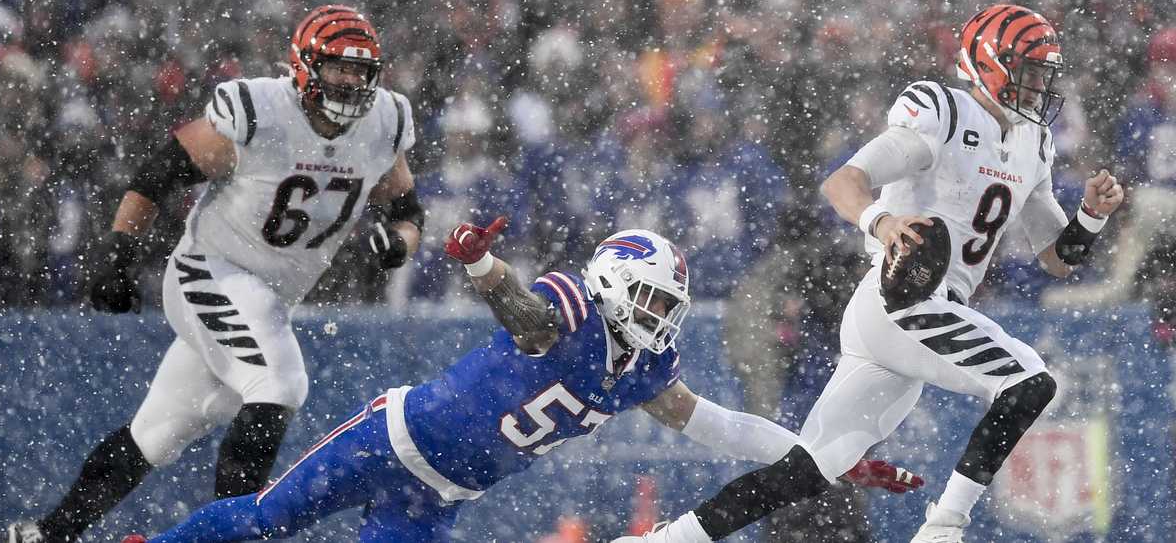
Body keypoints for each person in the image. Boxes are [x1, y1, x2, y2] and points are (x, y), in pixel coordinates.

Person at [614, 4, 1125, 543]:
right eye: (1031, 70)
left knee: (806, 470)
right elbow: (845, 182)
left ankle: (665, 541)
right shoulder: (944, 113)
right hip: (904, 296)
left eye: (1046, 73)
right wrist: (880, 221)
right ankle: (943, 528)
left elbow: (1057, 257)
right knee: (1028, 381)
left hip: (914, 312)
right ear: (991, 63)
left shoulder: (1033, 142)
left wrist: (1091, 216)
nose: (1040, 85)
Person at [119, 220, 921, 542]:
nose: (657, 316)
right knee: (269, 518)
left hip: (444, 492)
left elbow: (721, 426)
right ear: (610, 281)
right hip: (395, 440)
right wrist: (483, 264)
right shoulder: (571, 306)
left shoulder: (645, 365)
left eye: (665, 305)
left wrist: (825, 459)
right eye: (647, 296)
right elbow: (526, 316)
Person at [0, 5, 425, 543]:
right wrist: (119, 253)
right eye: (338, 67)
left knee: (155, 434)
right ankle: (232, 536)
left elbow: (408, 213)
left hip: (269, 298)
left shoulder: (384, 122)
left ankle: (46, 534)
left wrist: (396, 247)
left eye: (361, 72)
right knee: (279, 383)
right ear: (303, 65)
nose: (351, 82)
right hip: (211, 271)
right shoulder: (262, 110)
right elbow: (160, 171)